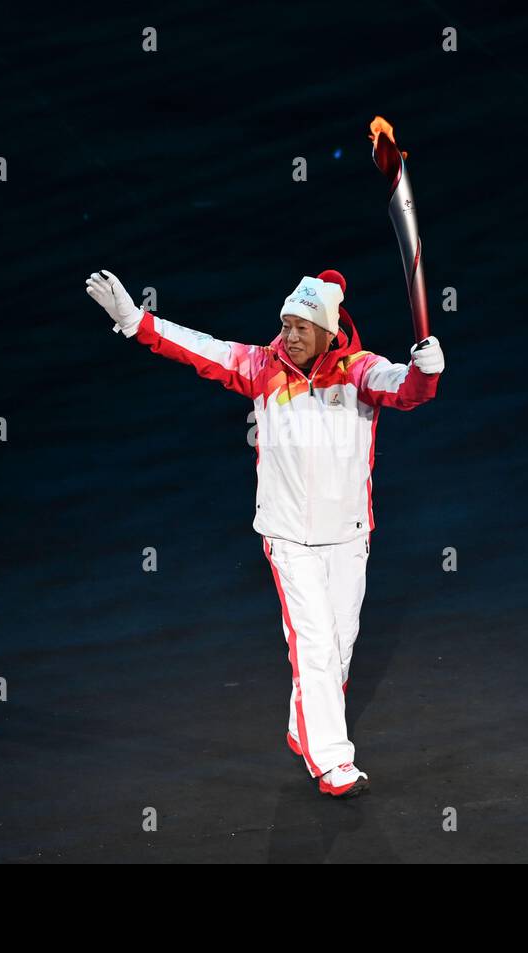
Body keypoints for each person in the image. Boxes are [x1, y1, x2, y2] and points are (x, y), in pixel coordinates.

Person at [86, 268, 444, 797]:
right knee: (315, 644)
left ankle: (305, 724)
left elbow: (407, 391)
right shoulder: (260, 367)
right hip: (288, 537)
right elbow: (197, 348)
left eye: (302, 327)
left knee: (340, 645)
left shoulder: (359, 371)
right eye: (285, 324)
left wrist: (426, 372)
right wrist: (136, 322)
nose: (290, 336)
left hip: (348, 536)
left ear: (327, 331)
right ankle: (332, 762)